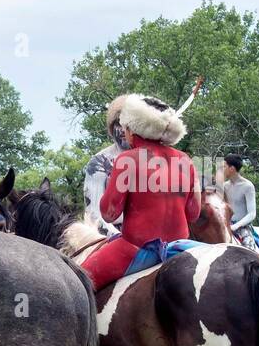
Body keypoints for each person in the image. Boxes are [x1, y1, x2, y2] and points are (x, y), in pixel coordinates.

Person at [79, 94, 201, 290]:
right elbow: (194, 214)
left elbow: (109, 215)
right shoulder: (185, 160)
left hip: (137, 249)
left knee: (77, 282)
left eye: (126, 126)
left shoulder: (127, 159)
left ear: (132, 129)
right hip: (180, 247)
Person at [81, 96, 126, 235]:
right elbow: (94, 215)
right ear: (112, 128)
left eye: (129, 123)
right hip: (114, 236)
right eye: (119, 122)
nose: (124, 129)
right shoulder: (99, 162)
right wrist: (122, 240)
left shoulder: (155, 159)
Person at [221, 154, 258, 248]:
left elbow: (252, 214)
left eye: (224, 166)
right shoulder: (224, 186)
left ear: (232, 168)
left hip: (243, 227)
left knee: (249, 252)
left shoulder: (247, 186)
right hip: (226, 225)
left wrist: (236, 226)